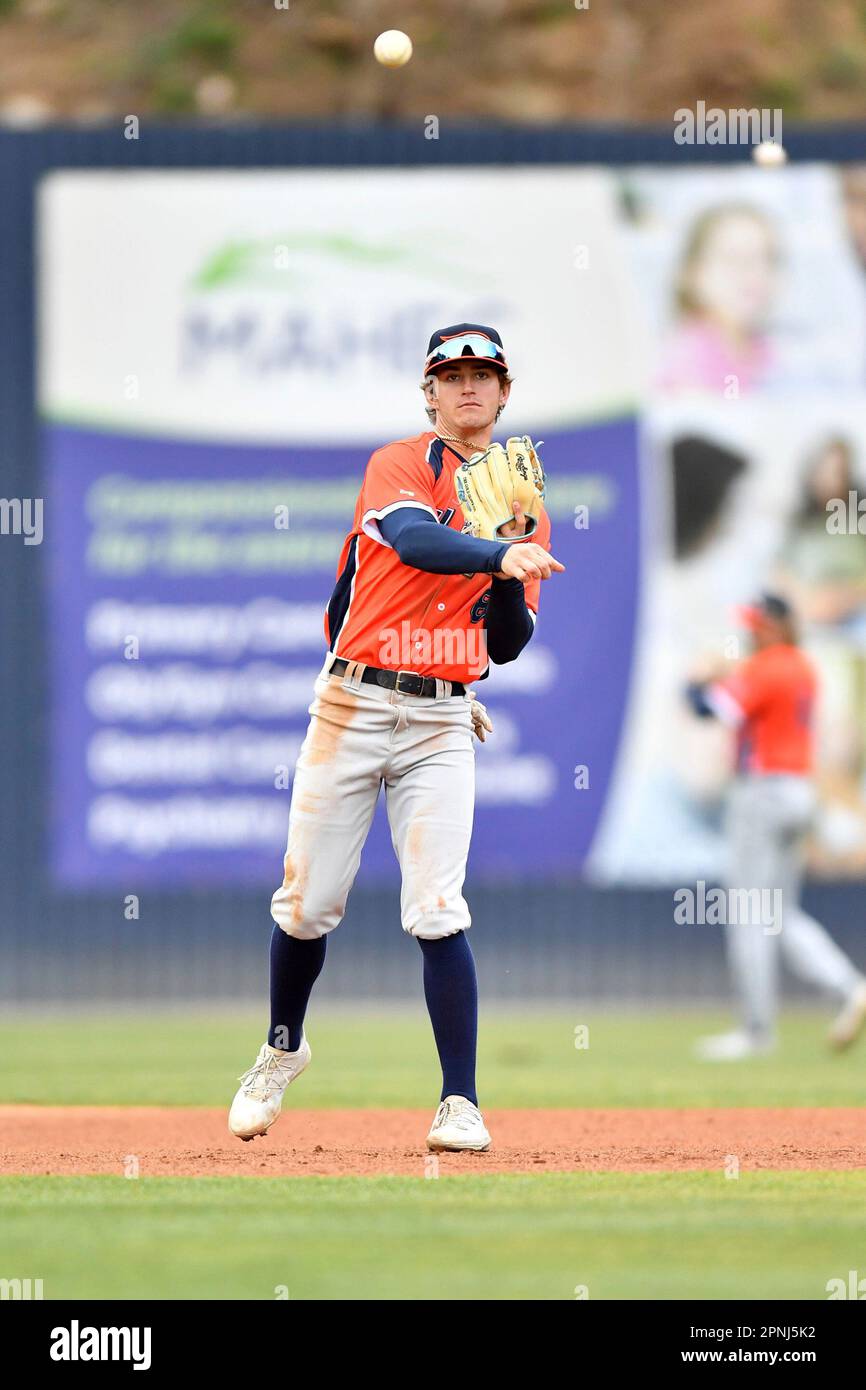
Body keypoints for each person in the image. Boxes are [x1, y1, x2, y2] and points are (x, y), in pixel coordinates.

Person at [228, 324, 564, 1150]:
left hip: (443, 716)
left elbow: (509, 643)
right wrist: (498, 551)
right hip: (354, 701)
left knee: (439, 910)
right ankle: (281, 1050)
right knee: (307, 907)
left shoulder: (525, 507)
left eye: (483, 374)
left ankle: (461, 1102)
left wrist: (515, 552)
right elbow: (415, 540)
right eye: (452, 376)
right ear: (429, 392)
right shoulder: (400, 463)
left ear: (506, 391)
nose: (468, 388)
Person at [685, 593, 866, 1060]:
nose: (750, 632)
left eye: (757, 625)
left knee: (749, 914)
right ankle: (850, 987)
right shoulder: (802, 665)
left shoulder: (766, 667)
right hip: (800, 791)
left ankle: (756, 1031)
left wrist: (699, 677)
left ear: (774, 628)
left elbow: (706, 710)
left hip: (763, 792)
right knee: (779, 914)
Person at [657, 203, 780, 394]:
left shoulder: (763, 349)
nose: (756, 274)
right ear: (693, 273)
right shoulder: (688, 357)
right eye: (734, 259)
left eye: (767, 259)